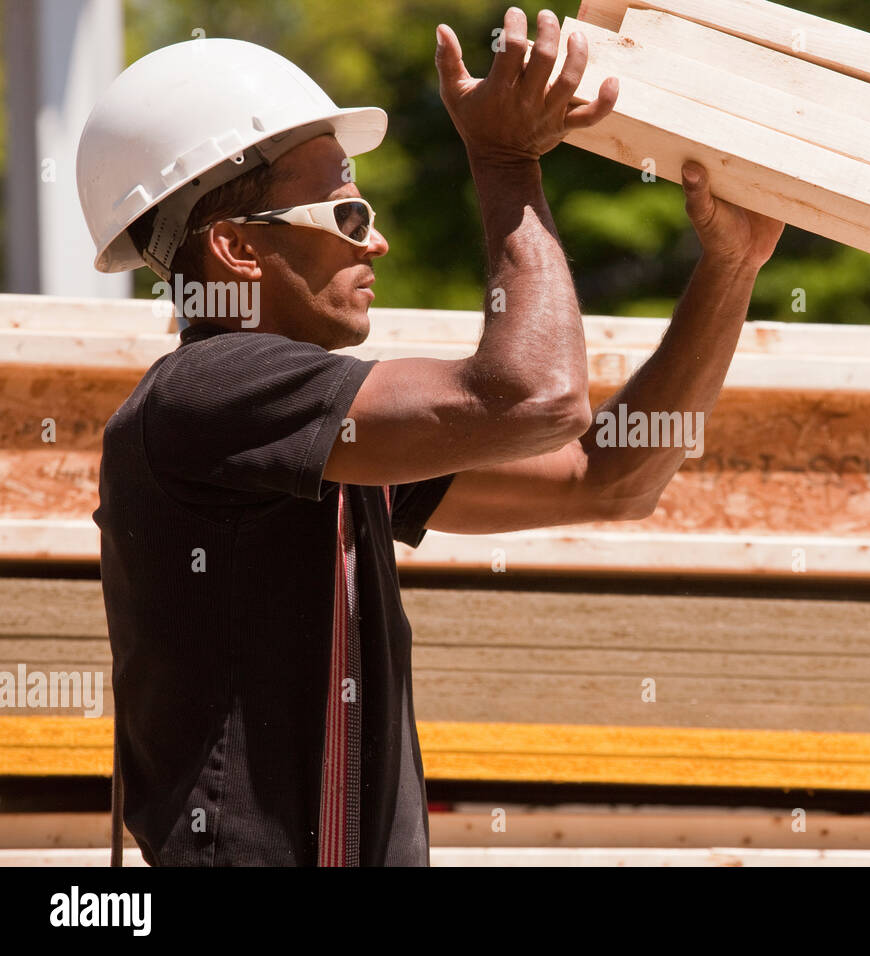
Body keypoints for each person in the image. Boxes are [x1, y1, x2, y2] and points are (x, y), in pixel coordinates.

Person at [77, 7, 783, 866]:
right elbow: (535, 397)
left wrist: (730, 270)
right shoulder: (205, 394)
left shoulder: (317, 437)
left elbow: (607, 479)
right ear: (235, 249)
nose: (376, 237)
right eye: (344, 215)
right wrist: (503, 159)